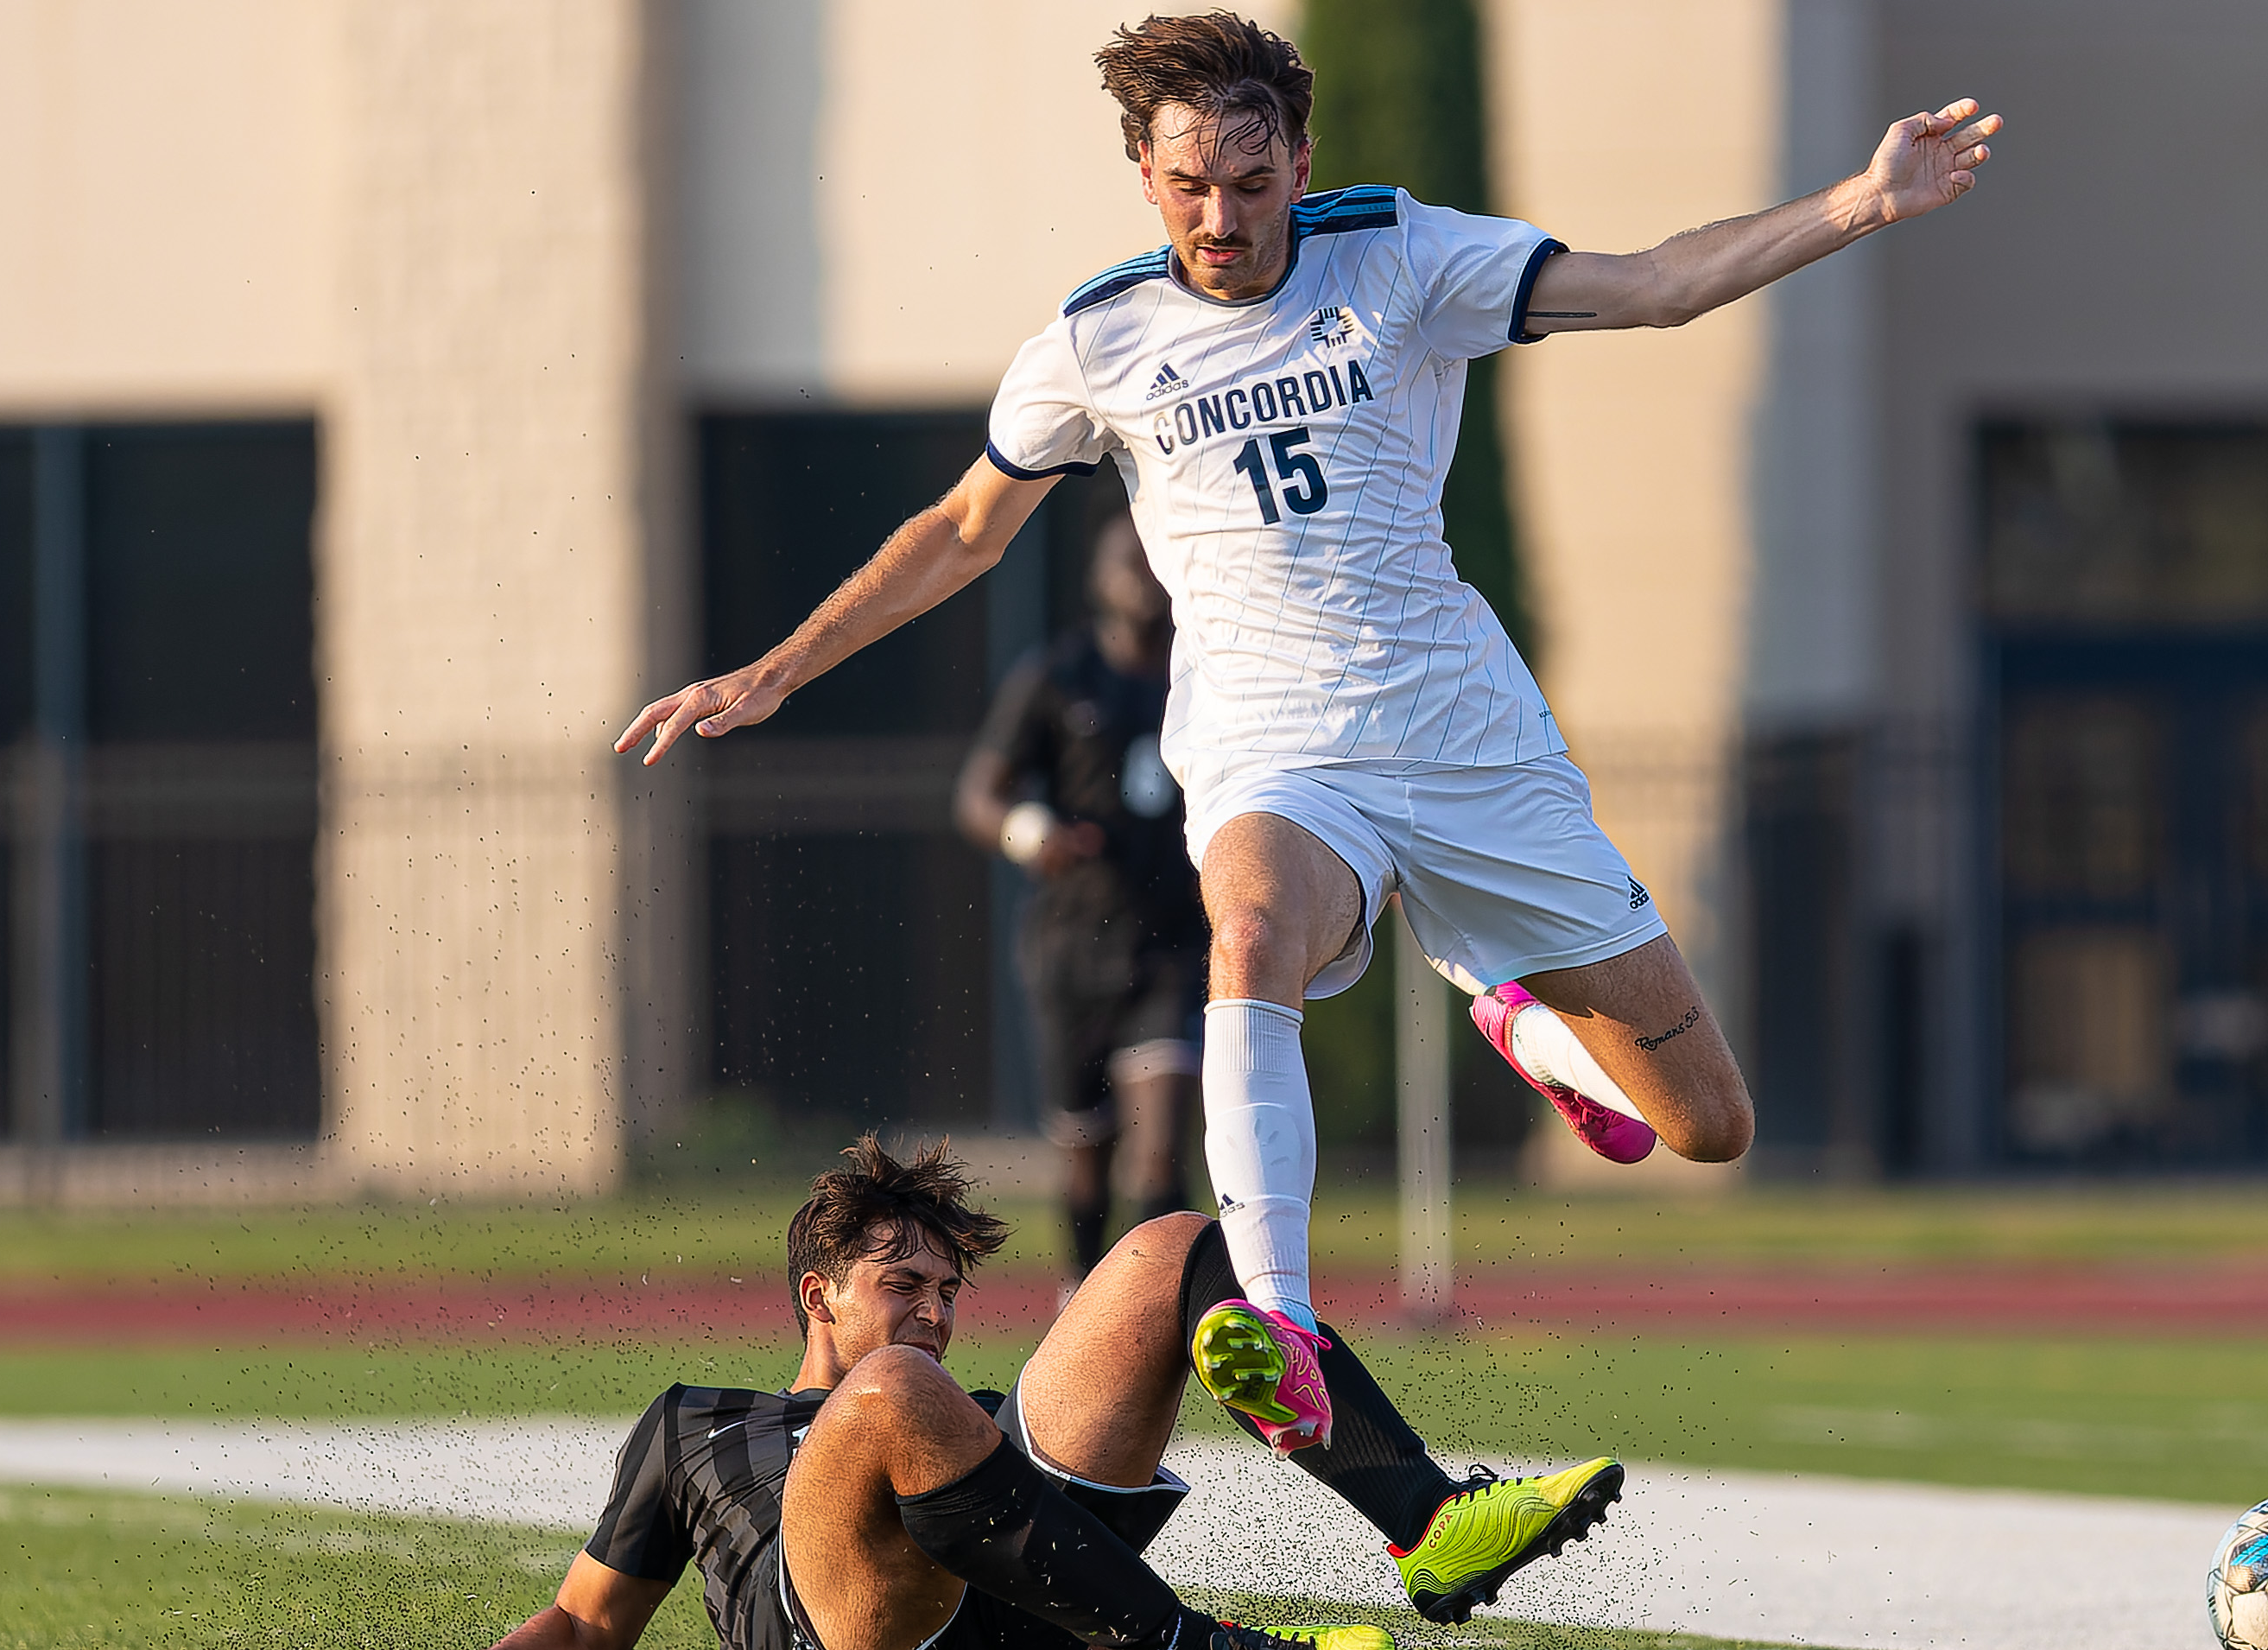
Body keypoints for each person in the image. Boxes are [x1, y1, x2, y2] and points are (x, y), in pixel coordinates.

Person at [617, 11, 2002, 1456]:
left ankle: (1519, 1016)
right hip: (1273, 750)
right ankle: (1277, 1317)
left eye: (1250, 180)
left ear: (1298, 162)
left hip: (1469, 743)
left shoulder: (1401, 255)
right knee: (1249, 927)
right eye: (1188, 184)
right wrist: (779, 667)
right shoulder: (1096, 340)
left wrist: (1860, 199)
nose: (1222, 217)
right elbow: (962, 530)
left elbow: (1652, 286)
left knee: (1708, 1127)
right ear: (1142, 176)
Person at [299, 1139, 1622, 1650]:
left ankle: (1427, 1517)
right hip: (844, 1640)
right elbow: (589, 1633)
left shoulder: (959, 1410)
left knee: (1172, 1247)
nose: (934, 1307)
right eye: (901, 1284)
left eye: (947, 1288)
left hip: (1009, 1610)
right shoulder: (692, 1420)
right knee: (891, 1399)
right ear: (817, 1291)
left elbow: (938, 1396)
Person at [955, 510, 1205, 1287]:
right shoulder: (1058, 677)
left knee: (1159, 1146)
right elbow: (977, 795)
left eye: (1150, 557)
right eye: (1123, 559)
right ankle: (1080, 1300)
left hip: (1171, 943)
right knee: (1084, 1158)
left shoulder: (1208, 676)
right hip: (1071, 950)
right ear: (1096, 576)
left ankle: (1159, 1315)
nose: (1140, 573)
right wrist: (1029, 833)